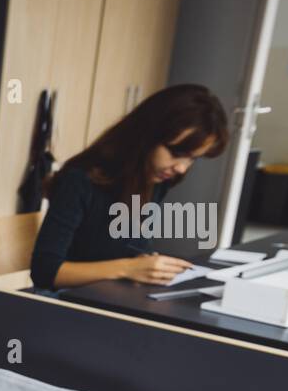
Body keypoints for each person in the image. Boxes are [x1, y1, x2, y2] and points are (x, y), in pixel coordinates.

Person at [30, 84, 229, 289]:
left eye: (192, 159)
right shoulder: (80, 179)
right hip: (65, 301)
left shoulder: (157, 178)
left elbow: (131, 245)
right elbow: (45, 271)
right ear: (148, 135)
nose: (181, 168)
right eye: (177, 154)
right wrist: (129, 268)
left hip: (108, 294)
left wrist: (146, 263)